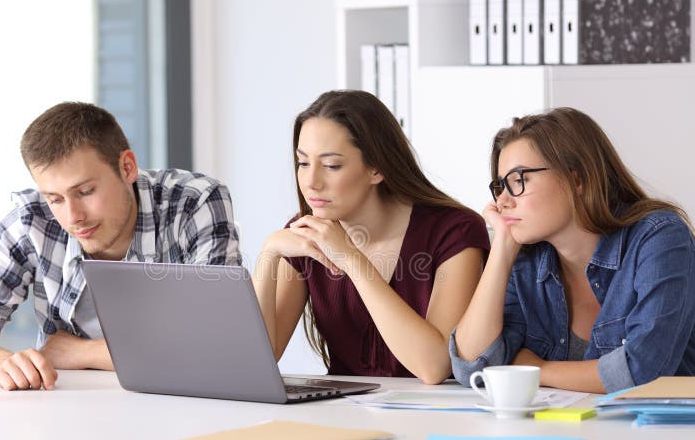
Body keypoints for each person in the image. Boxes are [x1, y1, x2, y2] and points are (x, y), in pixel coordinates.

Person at [0, 102, 241, 391]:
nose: (73, 217)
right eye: (55, 199)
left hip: (180, 406)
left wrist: (82, 352)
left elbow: (218, 344)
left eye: (85, 191)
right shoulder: (31, 220)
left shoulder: (194, 202)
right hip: (70, 406)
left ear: (127, 167)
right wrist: (1, 364)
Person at [451, 107, 695, 393]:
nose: (502, 201)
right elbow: (472, 368)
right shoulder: (526, 260)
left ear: (576, 179)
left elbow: (643, 372)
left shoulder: (659, 238)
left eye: (518, 180)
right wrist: (502, 250)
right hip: (565, 421)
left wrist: (537, 370)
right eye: (500, 186)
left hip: (659, 422)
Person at [252, 90, 489, 383]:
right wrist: (269, 254)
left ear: (376, 168)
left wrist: (350, 258)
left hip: (434, 408)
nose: (311, 182)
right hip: (342, 409)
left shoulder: (455, 232)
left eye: (331, 165)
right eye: (303, 163)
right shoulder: (305, 235)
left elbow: (434, 366)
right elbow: (256, 363)